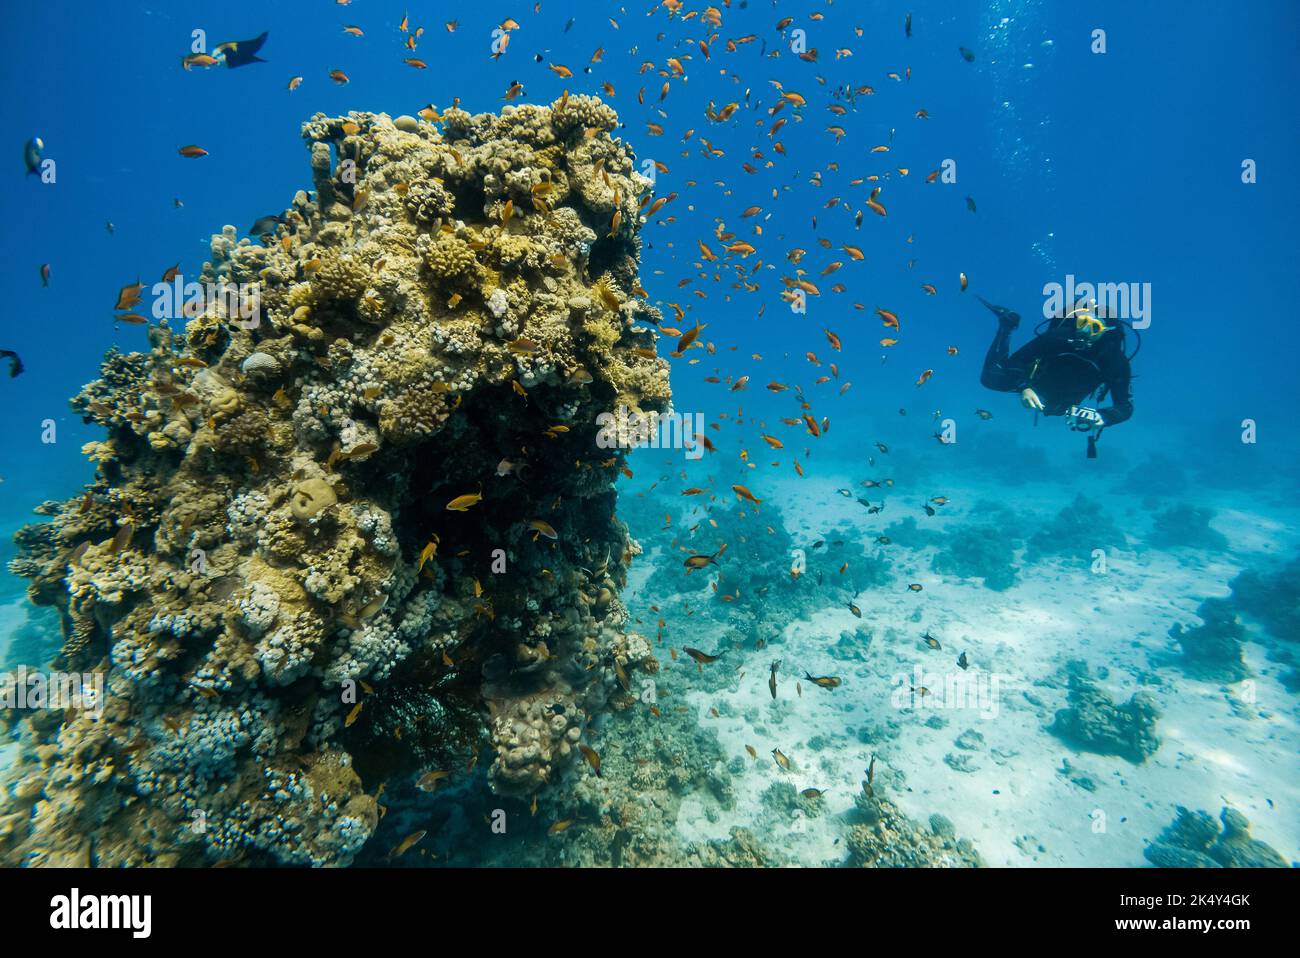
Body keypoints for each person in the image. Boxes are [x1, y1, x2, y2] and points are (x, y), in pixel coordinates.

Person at [977, 296, 1134, 456]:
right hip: (1036, 383)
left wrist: (1103, 417)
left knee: (1057, 408)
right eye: (1082, 322)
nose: (1085, 331)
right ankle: (1007, 325)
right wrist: (1024, 386)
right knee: (989, 378)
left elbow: (1125, 407)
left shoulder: (1114, 360)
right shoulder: (1058, 336)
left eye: (1094, 327)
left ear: (1105, 332)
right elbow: (1018, 361)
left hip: (1065, 400)